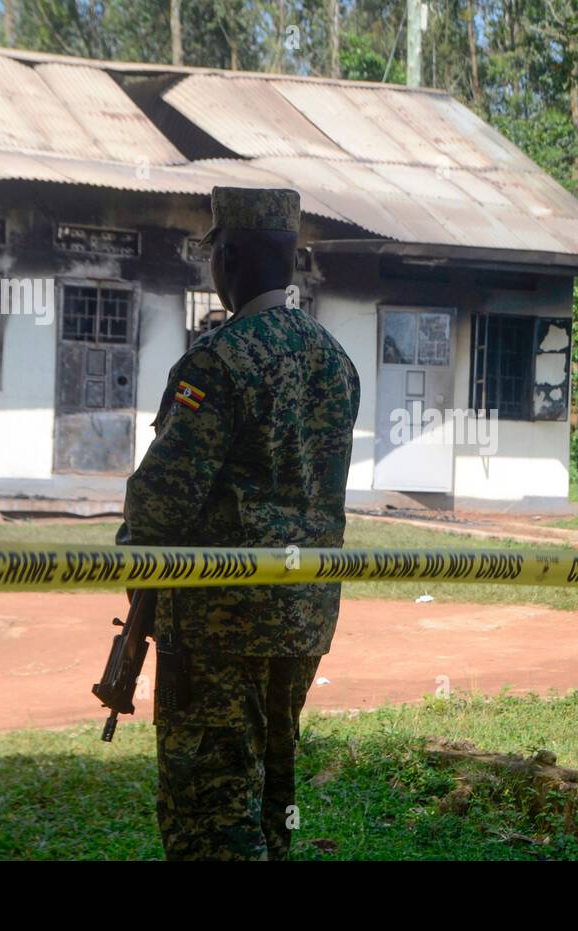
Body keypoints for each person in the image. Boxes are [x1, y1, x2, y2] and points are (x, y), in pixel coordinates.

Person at [117, 186, 359, 860]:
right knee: (272, 798)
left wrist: (137, 564)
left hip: (220, 622)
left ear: (228, 256)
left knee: (210, 812)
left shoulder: (220, 361)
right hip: (305, 617)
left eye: (214, 250)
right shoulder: (335, 361)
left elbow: (163, 497)